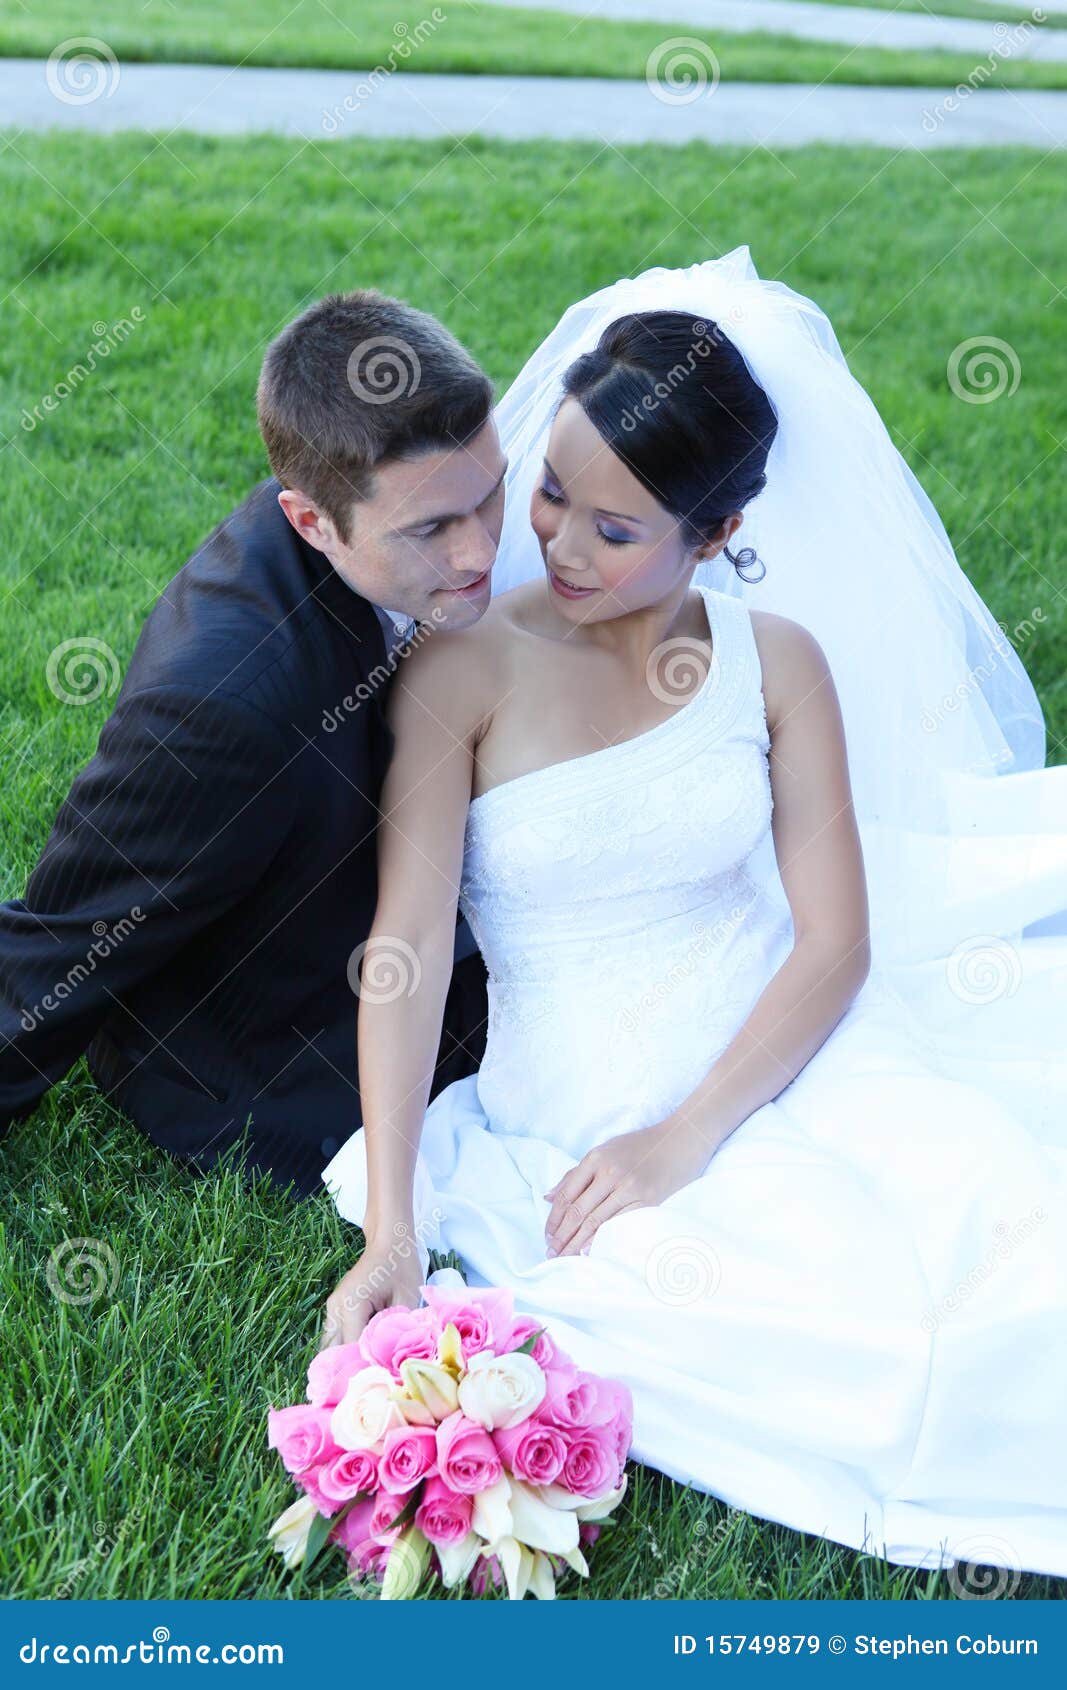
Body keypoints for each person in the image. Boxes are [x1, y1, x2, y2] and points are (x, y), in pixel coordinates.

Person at [320, 250, 1067, 1575]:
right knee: (859, 1337)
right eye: (548, 492)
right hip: (574, 1110)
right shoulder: (465, 668)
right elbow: (408, 945)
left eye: (614, 529)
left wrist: (684, 1136)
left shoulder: (774, 661)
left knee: (1009, 1256)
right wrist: (393, 1224)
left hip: (787, 1052)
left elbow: (834, 939)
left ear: (714, 535)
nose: (555, 541)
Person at [0, 290, 504, 1193]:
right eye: (431, 530)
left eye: (490, 496)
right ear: (309, 520)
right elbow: (65, 944)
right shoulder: (220, 709)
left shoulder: (364, 495)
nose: (479, 554)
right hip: (281, 1055)